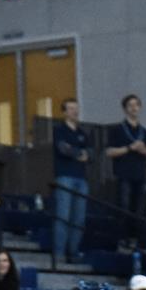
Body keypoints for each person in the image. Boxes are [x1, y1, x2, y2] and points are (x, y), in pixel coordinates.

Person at [107, 94, 146, 271]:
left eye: (137, 105)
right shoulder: (118, 130)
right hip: (124, 174)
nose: (134, 108)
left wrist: (144, 151)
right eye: (130, 105)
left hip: (140, 175)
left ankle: (135, 240)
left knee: (139, 210)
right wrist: (129, 148)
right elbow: (109, 152)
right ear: (125, 108)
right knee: (124, 207)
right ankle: (123, 239)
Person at [52, 100, 91, 262]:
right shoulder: (59, 130)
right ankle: (59, 254)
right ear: (64, 112)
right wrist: (79, 153)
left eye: (76, 108)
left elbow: (91, 153)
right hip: (65, 176)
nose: (75, 111)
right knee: (63, 216)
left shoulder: (83, 132)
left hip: (81, 178)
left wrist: (77, 152)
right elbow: (63, 149)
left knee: (79, 219)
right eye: (71, 109)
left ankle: (73, 252)